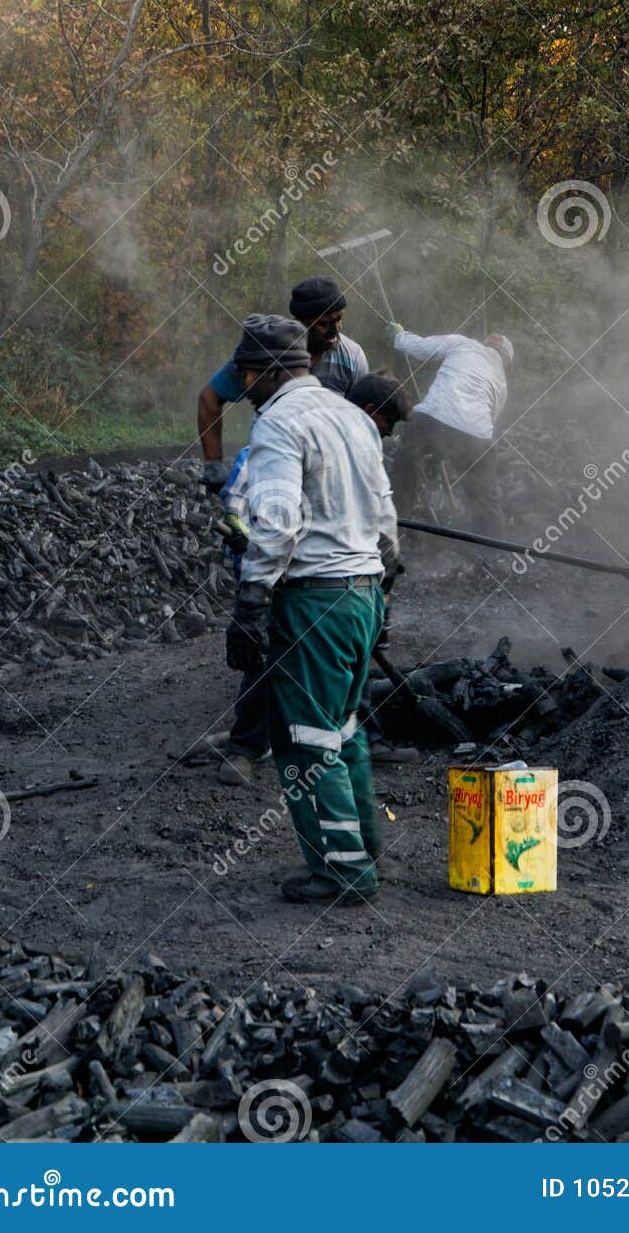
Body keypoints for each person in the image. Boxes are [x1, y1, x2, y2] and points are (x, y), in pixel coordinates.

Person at [225, 313, 397, 905]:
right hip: (363, 592)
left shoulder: (278, 423)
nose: (243, 387)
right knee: (342, 730)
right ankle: (364, 847)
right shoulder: (353, 416)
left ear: (264, 372)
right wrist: (382, 591)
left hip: (315, 600)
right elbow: (385, 515)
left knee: (304, 739)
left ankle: (343, 872)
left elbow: (277, 521)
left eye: (246, 375)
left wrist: (251, 600)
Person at [196, 276, 368, 493]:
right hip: (271, 466)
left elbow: (362, 423)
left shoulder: (352, 358)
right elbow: (210, 398)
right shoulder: (265, 352)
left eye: (339, 319)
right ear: (300, 322)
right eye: (324, 323)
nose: (335, 331)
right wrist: (214, 464)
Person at [387, 324, 513, 539]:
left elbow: (420, 347)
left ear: (487, 343)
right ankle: (493, 546)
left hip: (430, 418)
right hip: (476, 435)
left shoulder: (462, 343)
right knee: (485, 496)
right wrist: (446, 449)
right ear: (506, 359)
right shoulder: (501, 383)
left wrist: (399, 335)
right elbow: (488, 421)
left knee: (405, 468)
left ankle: (396, 528)